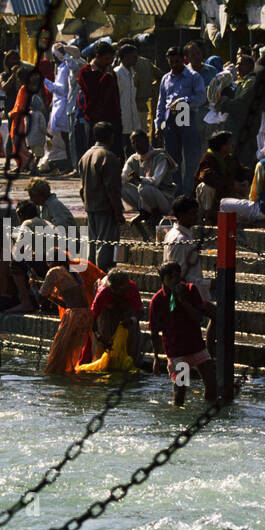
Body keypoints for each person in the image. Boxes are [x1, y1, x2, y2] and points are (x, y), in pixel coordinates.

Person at [150, 260, 217, 407]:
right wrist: (156, 358)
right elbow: (154, 332)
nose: (175, 280)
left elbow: (198, 318)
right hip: (177, 351)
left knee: (212, 385)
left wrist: (183, 301)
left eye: (177, 276)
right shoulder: (157, 300)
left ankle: (208, 413)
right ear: (162, 280)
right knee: (180, 392)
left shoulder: (191, 290)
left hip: (196, 346)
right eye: (171, 278)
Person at [157, 46, 207, 195]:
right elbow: (161, 103)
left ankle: (189, 190)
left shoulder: (193, 76)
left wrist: (183, 102)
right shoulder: (165, 78)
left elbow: (201, 97)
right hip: (170, 117)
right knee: (172, 158)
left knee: (190, 156)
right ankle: (176, 192)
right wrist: (158, 124)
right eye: (171, 61)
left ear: (183, 60)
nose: (174, 64)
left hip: (185, 113)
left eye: (177, 61)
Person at [77, 122, 125, 271]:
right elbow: (112, 189)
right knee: (106, 246)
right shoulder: (108, 157)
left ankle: (92, 277)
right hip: (105, 207)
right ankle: (102, 277)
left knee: (93, 245)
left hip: (90, 207)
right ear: (110, 137)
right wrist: (118, 211)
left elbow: (81, 188)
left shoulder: (85, 156)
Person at [121, 128, 178, 237]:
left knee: (144, 187)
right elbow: (123, 176)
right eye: (134, 142)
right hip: (144, 200)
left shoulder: (160, 157)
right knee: (121, 187)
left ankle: (155, 213)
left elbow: (156, 181)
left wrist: (140, 179)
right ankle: (145, 213)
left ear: (147, 141)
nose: (136, 145)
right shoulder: (134, 159)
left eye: (139, 141)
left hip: (164, 200)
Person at [85, 269, 144, 369]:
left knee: (130, 343)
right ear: (112, 288)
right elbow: (92, 318)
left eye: (124, 290)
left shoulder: (131, 288)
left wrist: (131, 320)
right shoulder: (103, 293)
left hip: (127, 313)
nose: (122, 293)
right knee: (104, 346)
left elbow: (140, 311)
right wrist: (99, 337)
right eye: (119, 291)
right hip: (106, 313)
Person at [194, 130, 252, 225]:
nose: (231, 145)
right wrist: (232, 185)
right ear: (222, 146)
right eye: (229, 143)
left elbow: (241, 171)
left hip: (227, 191)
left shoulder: (231, 158)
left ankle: (244, 220)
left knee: (248, 189)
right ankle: (207, 217)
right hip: (214, 194)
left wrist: (245, 180)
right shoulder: (208, 158)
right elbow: (207, 176)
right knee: (205, 187)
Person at [79, 42, 122, 156]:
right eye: (107, 59)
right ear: (97, 57)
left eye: (111, 59)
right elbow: (94, 94)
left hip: (113, 118)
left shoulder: (110, 71)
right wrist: (107, 76)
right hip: (95, 119)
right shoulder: (86, 72)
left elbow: (115, 95)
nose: (110, 62)